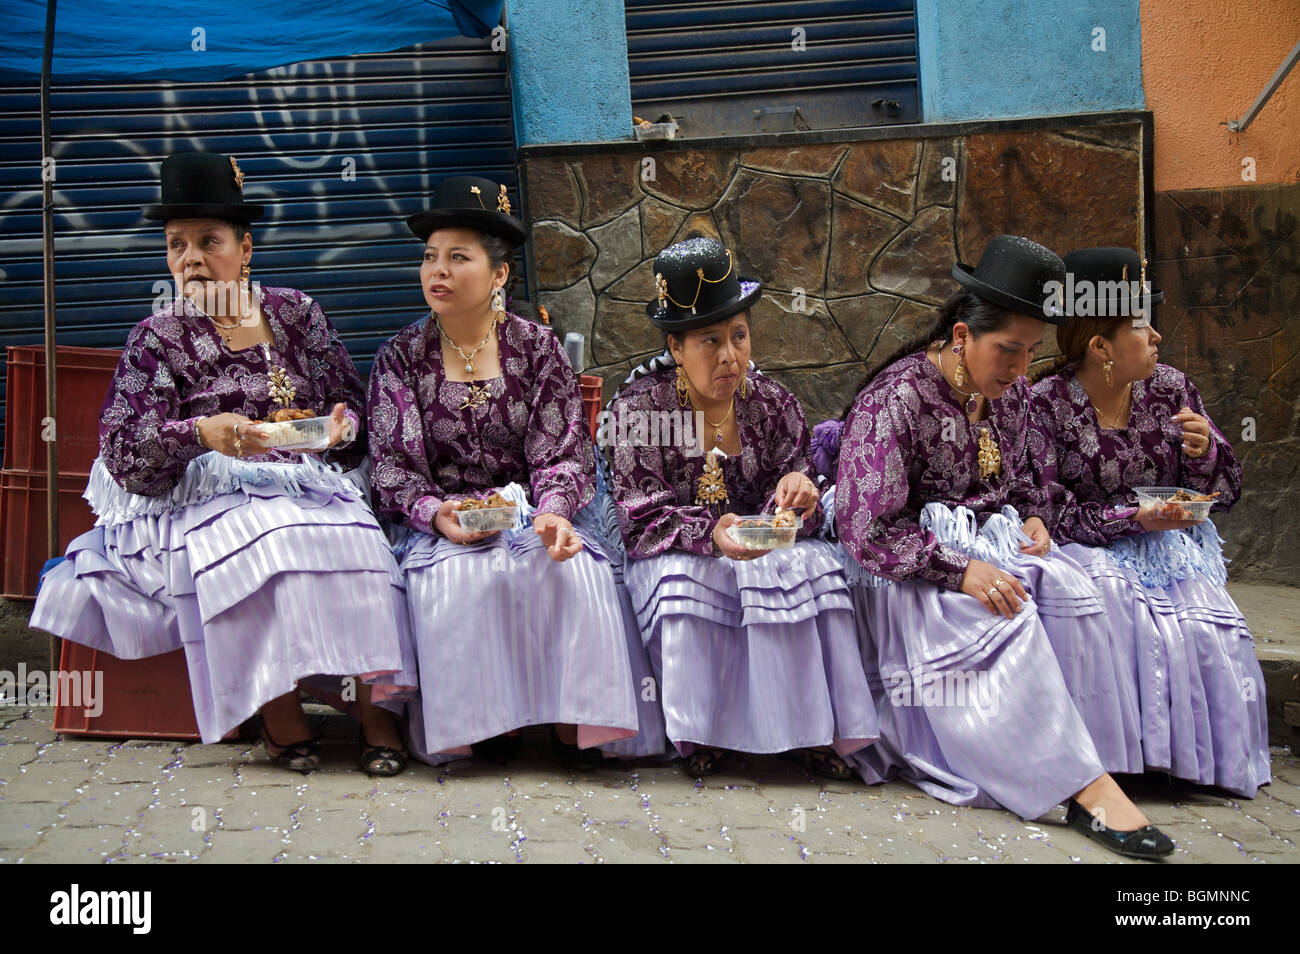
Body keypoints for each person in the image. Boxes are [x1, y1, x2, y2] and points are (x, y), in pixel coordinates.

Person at [31, 151, 414, 775]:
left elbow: (355, 425)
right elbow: (127, 454)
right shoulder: (156, 339)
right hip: (206, 494)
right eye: (176, 245)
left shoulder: (298, 315)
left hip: (307, 482)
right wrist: (200, 434)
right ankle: (278, 710)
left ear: (246, 248)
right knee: (265, 543)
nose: (191, 259)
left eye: (209, 241)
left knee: (362, 544)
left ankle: (376, 710)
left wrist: (335, 432)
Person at [821, 235, 1175, 858]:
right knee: (999, 608)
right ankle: (1082, 789)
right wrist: (958, 569)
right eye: (1008, 351)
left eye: (1031, 353)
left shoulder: (1007, 397)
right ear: (962, 336)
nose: (1019, 370)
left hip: (990, 544)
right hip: (908, 568)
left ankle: (1097, 764)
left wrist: (1035, 518)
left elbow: (1028, 480)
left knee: (1077, 587)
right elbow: (864, 527)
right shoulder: (897, 397)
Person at [367, 175, 638, 768]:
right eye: (430, 257)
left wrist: (553, 515)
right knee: (454, 583)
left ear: (499, 275)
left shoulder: (538, 350)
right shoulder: (399, 357)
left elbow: (564, 453)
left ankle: (573, 726)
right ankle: (485, 724)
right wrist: (436, 514)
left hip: (530, 512)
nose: (437, 270)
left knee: (571, 571)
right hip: (443, 523)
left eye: (458, 257)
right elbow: (391, 467)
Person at [607, 237, 878, 779]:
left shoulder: (773, 404)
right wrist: (713, 533)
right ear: (675, 347)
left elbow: (808, 502)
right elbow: (640, 517)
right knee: (685, 580)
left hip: (760, 551)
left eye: (739, 335)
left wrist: (801, 492)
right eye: (709, 340)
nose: (730, 355)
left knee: (813, 567)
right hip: (680, 549)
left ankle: (807, 731)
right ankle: (705, 732)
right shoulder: (640, 409)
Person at [1029, 246, 1269, 797]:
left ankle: (1195, 762)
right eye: (1142, 325)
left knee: (1202, 625)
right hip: (1091, 548)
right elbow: (1048, 509)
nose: (1158, 336)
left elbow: (1225, 489)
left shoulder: (1172, 390)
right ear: (1100, 346)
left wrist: (1206, 453)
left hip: (1170, 550)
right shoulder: (1046, 404)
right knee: (1117, 607)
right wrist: (1130, 517)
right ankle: (1120, 763)